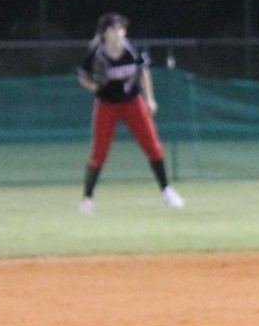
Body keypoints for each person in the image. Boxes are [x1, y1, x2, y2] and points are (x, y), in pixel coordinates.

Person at [75, 13, 183, 214]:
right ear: (105, 33)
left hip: (132, 102)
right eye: (114, 29)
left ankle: (166, 191)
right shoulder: (96, 54)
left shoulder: (131, 51)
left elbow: (143, 72)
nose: (119, 33)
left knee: (153, 146)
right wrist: (93, 87)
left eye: (121, 29)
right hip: (106, 104)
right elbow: (82, 75)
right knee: (99, 152)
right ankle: (87, 199)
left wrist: (150, 98)